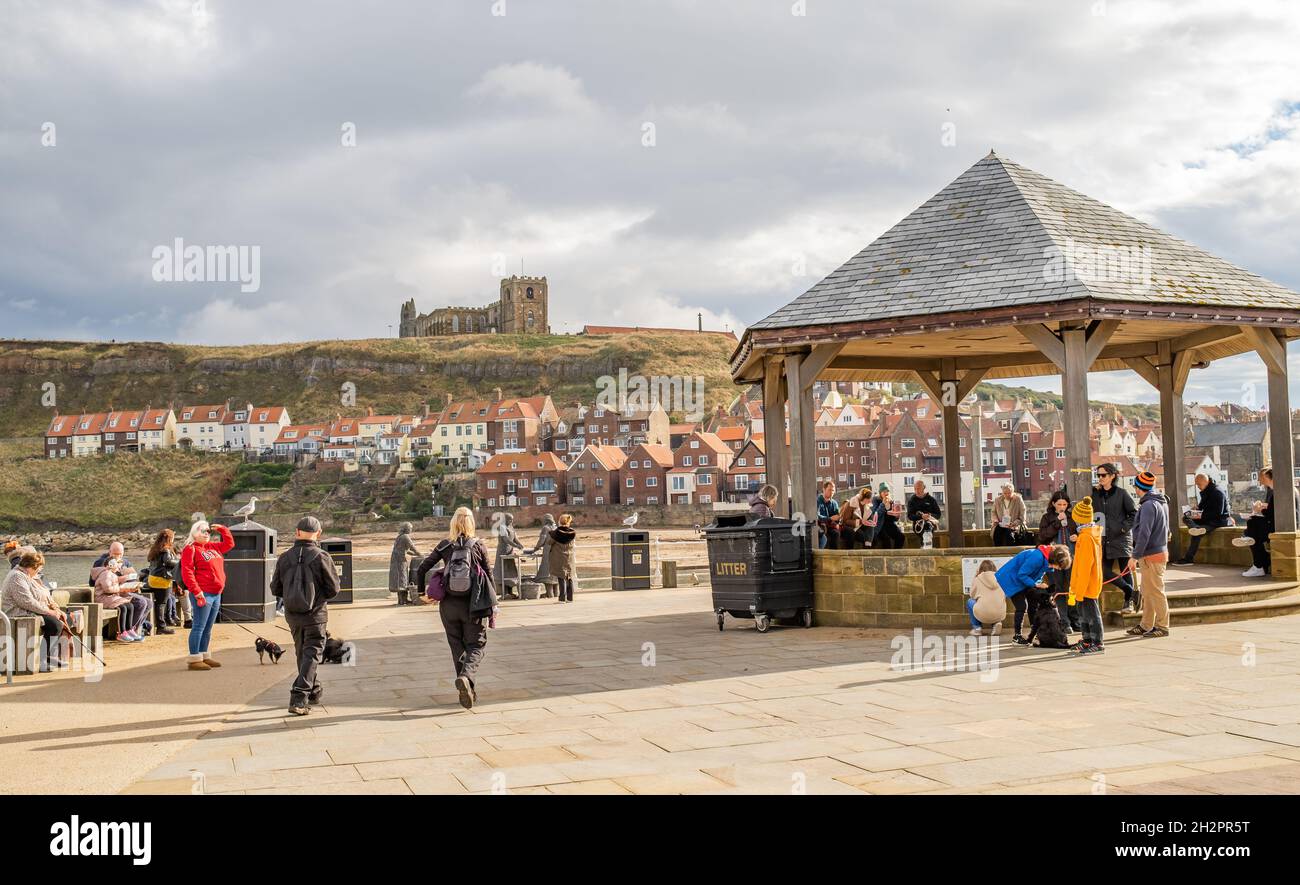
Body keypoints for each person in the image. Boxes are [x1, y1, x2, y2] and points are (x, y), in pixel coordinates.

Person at [415, 507, 497, 710]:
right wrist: (494, 604)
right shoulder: (478, 546)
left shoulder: (445, 545)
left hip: (448, 605)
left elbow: (422, 568)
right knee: (476, 645)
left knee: (456, 646)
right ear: (471, 523)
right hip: (473, 605)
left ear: (453, 523)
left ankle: (467, 687)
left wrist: (420, 593)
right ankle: (466, 677)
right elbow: (488, 575)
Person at [270, 516, 341, 716]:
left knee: (304, 653)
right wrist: (317, 598)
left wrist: (293, 597)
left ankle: (314, 690)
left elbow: (275, 587)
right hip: (316, 614)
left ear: (297, 532)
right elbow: (334, 588)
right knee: (312, 654)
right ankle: (299, 697)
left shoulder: (284, 557)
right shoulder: (321, 556)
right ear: (318, 534)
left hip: (293, 615)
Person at [2, 550, 71, 670]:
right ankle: (43, 660)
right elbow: (26, 602)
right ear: (30, 567)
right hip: (18, 613)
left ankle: (48, 656)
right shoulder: (16, 576)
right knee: (54, 625)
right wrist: (49, 612)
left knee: (63, 620)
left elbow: (44, 595)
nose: (39, 571)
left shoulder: (27, 576)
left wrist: (56, 609)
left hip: (29, 611)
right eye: (38, 568)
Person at [180, 520, 235, 671]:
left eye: (208, 531)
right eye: (202, 531)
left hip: (216, 593)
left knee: (208, 627)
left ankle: (204, 655)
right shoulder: (190, 549)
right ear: (195, 532)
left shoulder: (211, 546)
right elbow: (187, 572)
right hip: (203, 593)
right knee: (199, 626)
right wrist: (197, 592)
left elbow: (229, 545)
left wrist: (223, 529)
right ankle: (194, 658)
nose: (206, 534)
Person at [997, 543, 1073, 645]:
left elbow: (1037, 575)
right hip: (1011, 580)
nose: (1059, 569)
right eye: (1059, 566)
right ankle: (1017, 636)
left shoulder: (1046, 560)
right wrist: (1036, 585)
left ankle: (1038, 632)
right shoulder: (1037, 557)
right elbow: (1022, 574)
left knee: (1033, 604)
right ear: (1055, 559)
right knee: (1021, 606)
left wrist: (1038, 584)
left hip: (1023, 580)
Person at [1128, 471, 1170, 638]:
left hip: (1151, 555)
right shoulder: (1161, 502)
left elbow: (1144, 533)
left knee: (1156, 591)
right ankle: (1146, 624)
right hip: (1157, 552)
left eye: (1136, 486)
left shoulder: (1147, 506)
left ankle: (1162, 626)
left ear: (1139, 488)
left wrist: (1134, 556)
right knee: (1148, 591)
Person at [1091, 463, 1137, 612]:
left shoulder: (1122, 493)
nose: (1100, 478)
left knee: (1125, 571)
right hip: (1103, 540)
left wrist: (1122, 528)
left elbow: (1134, 514)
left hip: (1121, 539)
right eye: (1098, 475)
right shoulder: (1095, 494)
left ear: (1112, 476)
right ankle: (1130, 590)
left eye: (1103, 475)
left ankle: (1128, 602)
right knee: (1102, 571)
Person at [1038, 490, 1080, 633]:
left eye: (1065, 504)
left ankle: (1075, 620)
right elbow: (1043, 536)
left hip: (1071, 557)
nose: (1062, 507)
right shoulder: (1047, 517)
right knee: (1059, 589)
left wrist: (1077, 537)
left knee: (1072, 588)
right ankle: (1064, 621)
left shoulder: (1073, 517)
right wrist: (1057, 522)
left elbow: (1080, 532)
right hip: (1054, 559)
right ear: (1053, 504)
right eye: (1059, 504)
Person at [1067, 496, 1105, 654]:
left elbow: (1084, 566)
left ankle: (1097, 642)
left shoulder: (1086, 538)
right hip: (1086, 583)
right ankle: (1088, 640)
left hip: (1086, 584)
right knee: (1084, 613)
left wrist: (1078, 589)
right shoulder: (1089, 535)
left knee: (1091, 613)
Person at [1175, 474, 1230, 566]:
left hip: (1217, 521)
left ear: (1206, 481)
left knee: (1197, 533)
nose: (1198, 487)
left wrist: (1200, 516)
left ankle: (1188, 559)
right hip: (1206, 518)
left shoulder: (1217, 492)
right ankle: (1195, 528)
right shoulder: (1207, 491)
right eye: (1197, 485)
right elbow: (1202, 507)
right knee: (1186, 517)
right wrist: (1195, 510)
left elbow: (1218, 513)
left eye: (1199, 484)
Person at [92, 556, 150, 643]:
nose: (119, 567)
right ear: (111, 565)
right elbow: (107, 589)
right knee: (122, 608)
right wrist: (120, 589)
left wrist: (123, 587)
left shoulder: (111, 574)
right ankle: (121, 633)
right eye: (117, 565)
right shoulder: (106, 574)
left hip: (111, 597)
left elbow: (112, 588)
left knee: (129, 606)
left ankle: (129, 630)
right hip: (103, 598)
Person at [1234, 468, 1276, 577]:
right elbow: (1273, 509)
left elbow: (1271, 513)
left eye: (1261, 477)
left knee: (1252, 525)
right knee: (1253, 526)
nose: (1260, 480)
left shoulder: (1276, 491)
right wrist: (1264, 506)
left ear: (1267, 477)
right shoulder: (1273, 490)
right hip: (1276, 523)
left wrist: (1259, 510)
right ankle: (1262, 563)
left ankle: (1259, 565)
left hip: (1277, 526)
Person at [144, 530, 179, 635]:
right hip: (162, 580)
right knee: (161, 603)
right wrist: (180, 562)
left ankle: (160, 625)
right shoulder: (166, 550)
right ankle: (161, 627)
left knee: (160, 603)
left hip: (152, 578)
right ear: (169, 538)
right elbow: (168, 561)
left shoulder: (155, 549)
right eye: (172, 538)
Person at [966, 559, 1005, 636]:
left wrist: (975, 576)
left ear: (980, 569)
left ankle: (977, 628)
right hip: (1000, 613)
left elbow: (972, 595)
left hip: (983, 612)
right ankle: (996, 623)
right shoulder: (1000, 578)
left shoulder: (978, 579)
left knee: (970, 601)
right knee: (997, 601)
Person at [493, 513, 525, 598]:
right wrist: (516, 545)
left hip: (510, 551)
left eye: (512, 519)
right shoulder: (502, 527)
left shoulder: (511, 527)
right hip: (502, 551)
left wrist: (520, 545)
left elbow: (515, 538)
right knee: (503, 571)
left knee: (510, 572)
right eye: (510, 519)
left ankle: (510, 592)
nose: (511, 521)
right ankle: (504, 592)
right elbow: (506, 539)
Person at [548, 514, 578, 603]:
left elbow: (549, 542)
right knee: (569, 577)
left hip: (559, 557)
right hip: (569, 557)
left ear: (560, 521)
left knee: (561, 577)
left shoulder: (556, 533)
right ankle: (570, 598)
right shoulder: (573, 532)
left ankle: (561, 598)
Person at [388, 522, 421, 600]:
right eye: (410, 528)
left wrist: (415, 554)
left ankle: (401, 600)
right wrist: (420, 555)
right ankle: (403, 600)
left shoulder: (399, 537)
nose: (411, 530)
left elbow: (405, 550)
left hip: (395, 560)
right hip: (400, 560)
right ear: (406, 529)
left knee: (398, 579)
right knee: (402, 578)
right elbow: (413, 547)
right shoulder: (406, 537)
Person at [528, 513, 558, 595]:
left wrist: (536, 548)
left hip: (548, 551)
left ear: (546, 520)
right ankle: (556, 594)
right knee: (555, 575)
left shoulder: (546, 528)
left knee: (546, 572)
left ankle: (549, 594)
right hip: (556, 551)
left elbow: (542, 540)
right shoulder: (556, 528)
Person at [907, 480, 942, 544]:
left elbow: (938, 514)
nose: (917, 491)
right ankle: (926, 547)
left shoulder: (931, 499)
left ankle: (926, 546)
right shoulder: (912, 500)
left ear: (924, 488)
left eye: (919, 488)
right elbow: (910, 516)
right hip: (918, 525)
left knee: (927, 528)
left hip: (930, 523)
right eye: (915, 489)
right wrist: (921, 516)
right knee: (925, 532)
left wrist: (929, 516)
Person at [873, 483, 905, 549]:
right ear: (880, 493)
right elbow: (875, 515)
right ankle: (887, 558)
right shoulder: (876, 500)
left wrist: (897, 516)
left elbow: (893, 518)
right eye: (884, 491)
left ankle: (895, 556)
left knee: (901, 537)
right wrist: (883, 504)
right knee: (886, 540)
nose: (886, 493)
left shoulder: (891, 502)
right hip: (880, 526)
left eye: (887, 491)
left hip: (889, 525)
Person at [816, 481, 842, 549]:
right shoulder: (818, 501)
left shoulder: (834, 503)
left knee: (849, 532)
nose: (832, 492)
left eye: (833, 490)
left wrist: (839, 518)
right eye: (829, 490)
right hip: (821, 525)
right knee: (834, 533)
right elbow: (816, 516)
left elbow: (837, 516)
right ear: (824, 490)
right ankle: (833, 555)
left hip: (831, 525)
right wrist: (830, 518)